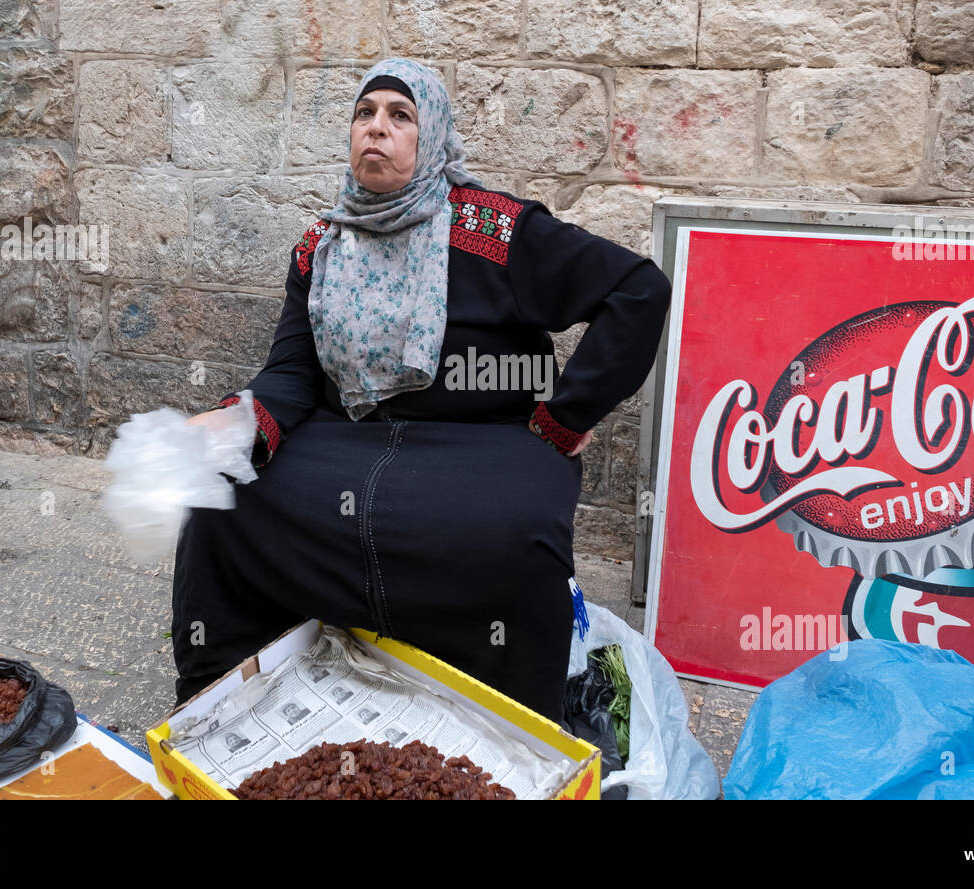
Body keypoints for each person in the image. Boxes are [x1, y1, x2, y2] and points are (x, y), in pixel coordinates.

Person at [173, 58, 671, 723]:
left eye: (399, 116)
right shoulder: (321, 245)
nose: (377, 128)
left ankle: (514, 725)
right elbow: (292, 373)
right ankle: (225, 699)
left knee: (518, 532)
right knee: (221, 497)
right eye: (365, 113)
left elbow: (638, 290)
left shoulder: (496, 230)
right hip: (346, 439)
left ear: (431, 133)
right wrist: (238, 422)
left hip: (481, 444)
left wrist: (564, 418)